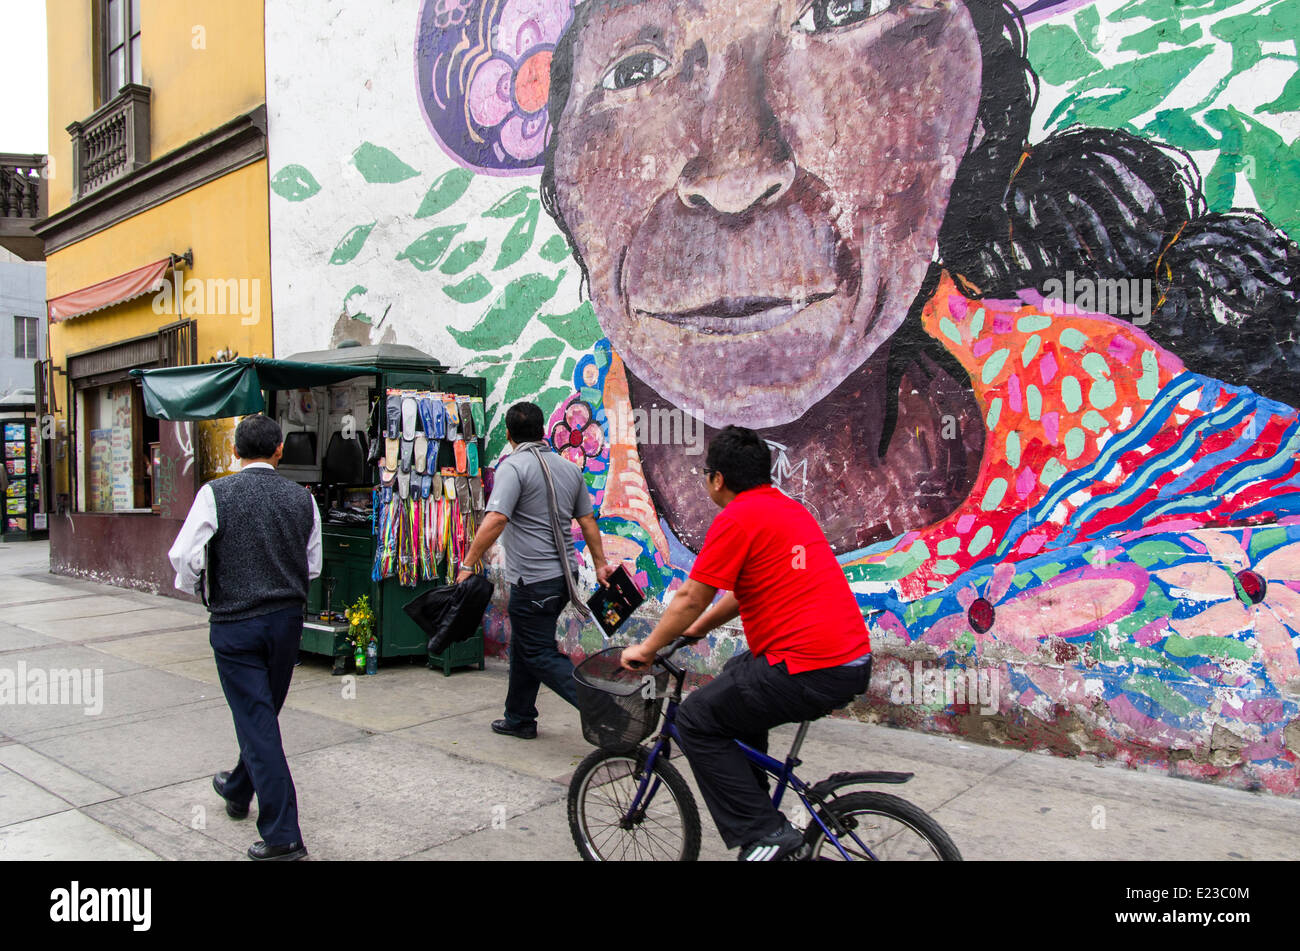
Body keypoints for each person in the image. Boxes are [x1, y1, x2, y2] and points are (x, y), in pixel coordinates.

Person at [620, 426, 872, 861]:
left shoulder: (737, 517)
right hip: (848, 659)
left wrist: (646, 648)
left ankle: (764, 834)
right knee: (738, 672)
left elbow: (691, 596)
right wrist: (698, 629)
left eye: (705, 474)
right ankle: (760, 806)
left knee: (696, 719)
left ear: (717, 479)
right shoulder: (788, 510)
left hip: (808, 668)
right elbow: (743, 592)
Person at [168, 414, 321, 861]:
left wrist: (201, 588)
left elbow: (184, 555)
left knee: (257, 721)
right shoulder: (301, 499)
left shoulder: (215, 493)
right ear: (278, 451)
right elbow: (312, 565)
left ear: (235, 452)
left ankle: (283, 834)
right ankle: (237, 787)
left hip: (236, 624)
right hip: (286, 623)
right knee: (262, 716)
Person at [455, 401, 616, 738]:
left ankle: (606, 710)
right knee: (526, 645)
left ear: (509, 434)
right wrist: (600, 566)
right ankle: (519, 717)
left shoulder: (513, 468)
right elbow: (587, 521)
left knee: (537, 652)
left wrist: (468, 563)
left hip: (534, 583)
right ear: (543, 431)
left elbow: (496, 518)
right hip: (563, 579)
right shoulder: (569, 469)